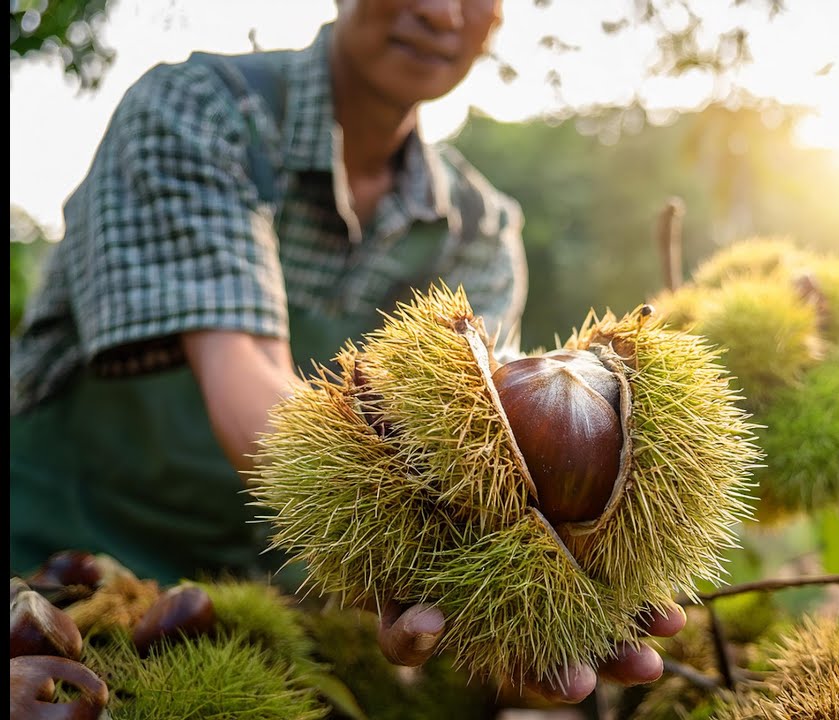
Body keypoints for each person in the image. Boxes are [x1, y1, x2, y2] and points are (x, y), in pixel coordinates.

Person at [9, 0, 682, 703]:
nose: (439, 11)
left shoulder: (478, 233)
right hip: (54, 565)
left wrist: (545, 577)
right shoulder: (197, 111)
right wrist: (415, 567)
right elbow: (242, 369)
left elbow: (480, 451)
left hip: (260, 602)